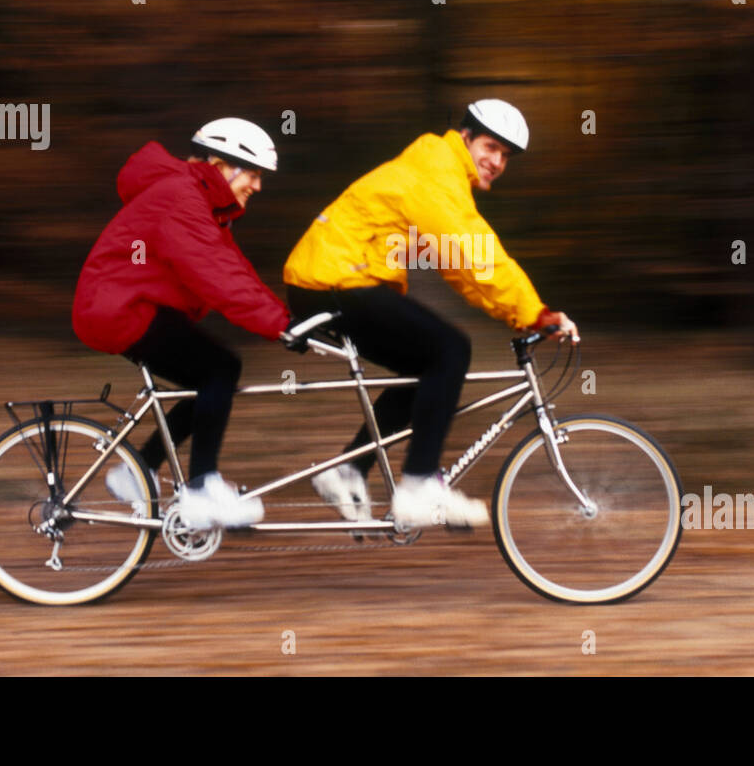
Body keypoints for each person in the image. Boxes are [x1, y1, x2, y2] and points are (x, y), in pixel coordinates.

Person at [283, 99, 579, 529]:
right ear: (465, 137)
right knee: (450, 348)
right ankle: (419, 486)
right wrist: (535, 313)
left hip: (331, 282)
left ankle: (347, 473)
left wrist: (523, 315)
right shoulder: (437, 170)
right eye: (491, 147)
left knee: (426, 366)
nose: (496, 161)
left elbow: (459, 268)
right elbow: (476, 251)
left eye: (505, 156)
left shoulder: (438, 173)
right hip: (332, 281)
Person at [71, 118, 290, 530]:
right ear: (222, 165)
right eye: (255, 174)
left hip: (125, 305)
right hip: (120, 309)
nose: (258, 187)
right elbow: (217, 276)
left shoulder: (199, 201)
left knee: (212, 374)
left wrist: (287, 318)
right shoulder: (181, 197)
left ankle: (137, 472)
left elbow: (232, 270)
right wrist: (282, 326)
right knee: (219, 368)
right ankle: (202, 489)